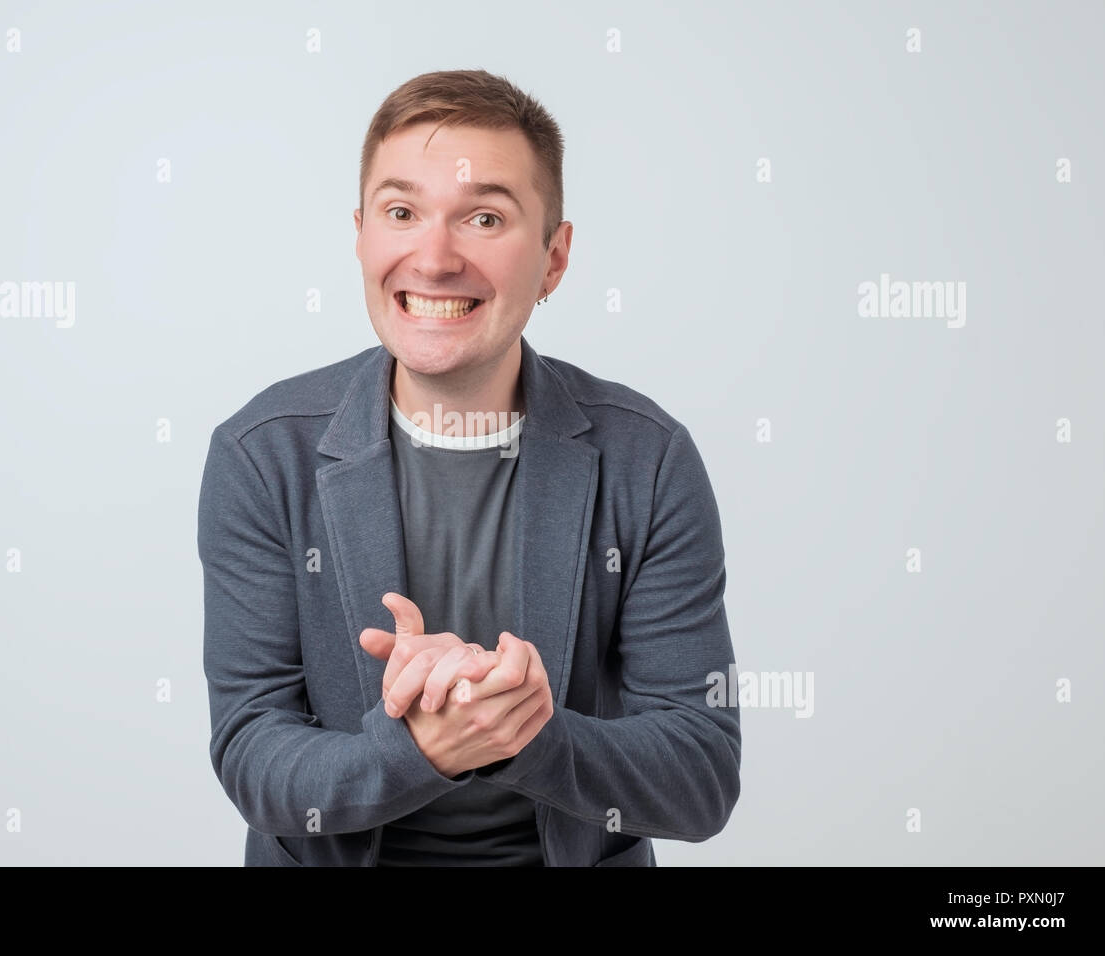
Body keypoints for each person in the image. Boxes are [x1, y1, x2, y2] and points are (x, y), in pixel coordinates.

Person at [198, 69, 740, 866]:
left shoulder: (648, 459)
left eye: (484, 217)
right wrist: (419, 750)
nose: (435, 256)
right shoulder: (261, 453)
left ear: (555, 258)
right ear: (360, 237)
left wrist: (528, 732)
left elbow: (699, 781)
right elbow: (254, 759)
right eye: (401, 212)